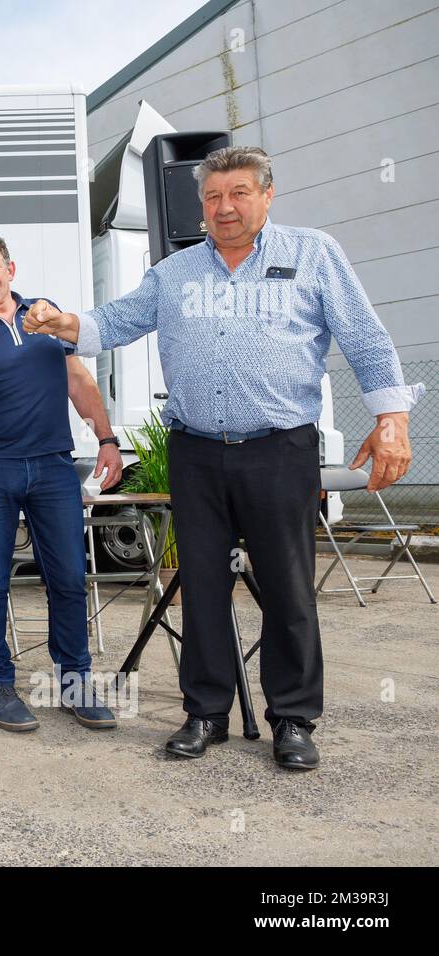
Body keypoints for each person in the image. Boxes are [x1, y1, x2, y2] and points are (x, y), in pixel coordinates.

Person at [24, 145, 422, 770]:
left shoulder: (312, 254)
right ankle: (204, 712)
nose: (224, 207)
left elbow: (365, 336)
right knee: (202, 586)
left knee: (289, 589)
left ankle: (292, 718)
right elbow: (118, 320)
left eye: (239, 193)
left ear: (267, 195)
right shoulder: (176, 272)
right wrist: (62, 320)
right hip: (197, 451)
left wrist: (391, 418)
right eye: (212, 197)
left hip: (280, 449)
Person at [0, 232, 124, 733]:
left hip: (52, 466)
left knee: (67, 578)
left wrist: (106, 438)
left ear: (10, 270)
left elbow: (79, 382)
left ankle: (75, 684)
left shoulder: (46, 316)